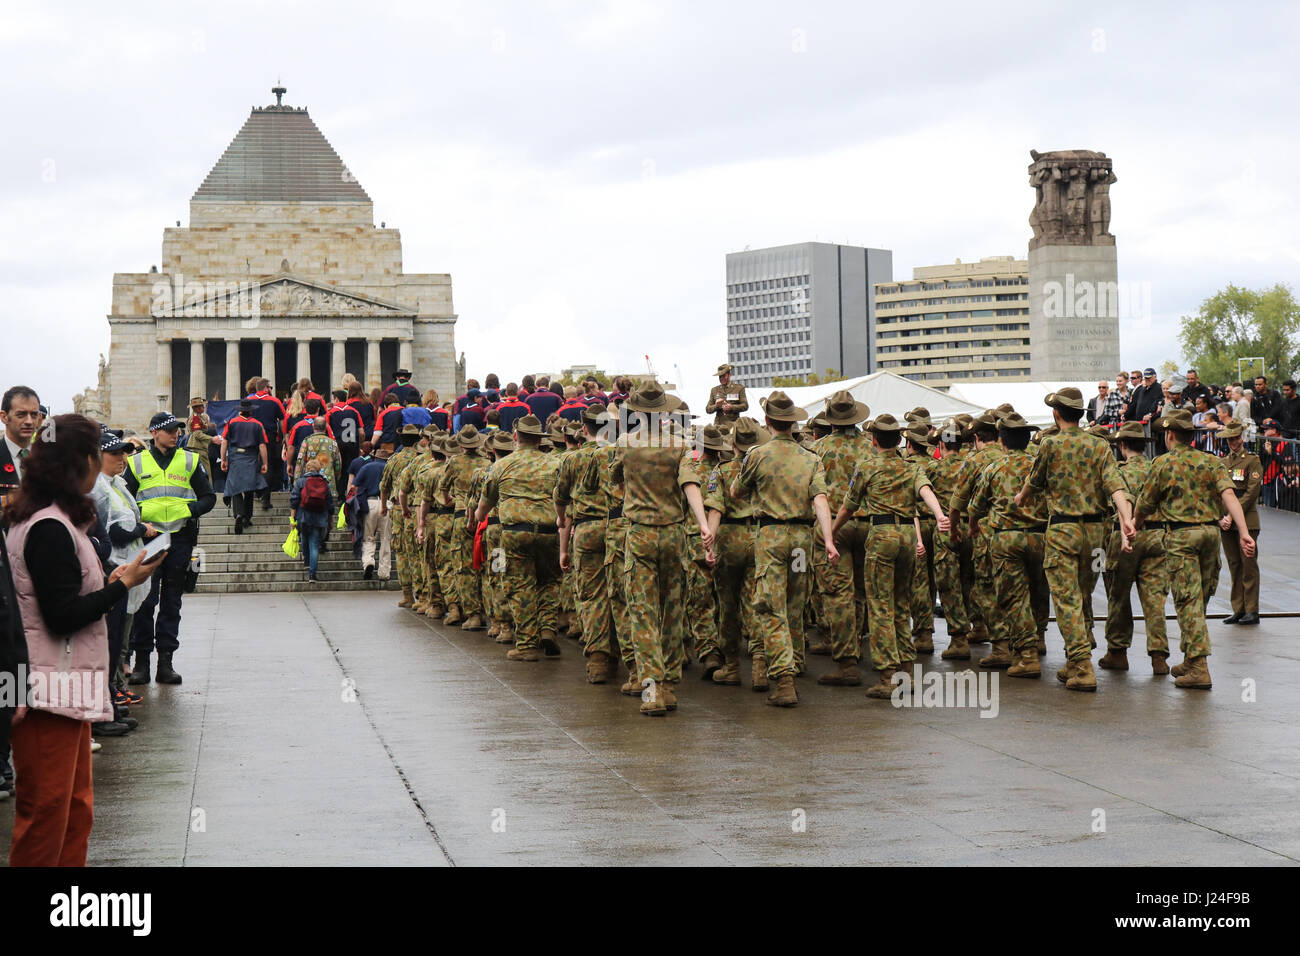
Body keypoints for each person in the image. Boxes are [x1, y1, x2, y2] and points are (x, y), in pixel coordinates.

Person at [4, 414, 162, 866]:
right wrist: (121, 586)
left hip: (63, 684)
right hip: (46, 688)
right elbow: (60, 615)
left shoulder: (49, 519)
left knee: (74, 810)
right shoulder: (49, 526)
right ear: (81, 462)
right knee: (48, 814)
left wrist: (112, 581)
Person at [1014, 388, 1134, 692]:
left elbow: (1034, 482)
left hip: (1063, 533)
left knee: (1066, 600)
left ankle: (1082, 667)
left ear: (1056, 414)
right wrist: (1127, 518)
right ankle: (1073, 658)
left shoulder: (1050, 445)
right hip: (1096, 535)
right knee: (1081, 598)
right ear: (1080, 415)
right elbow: (1115, 486)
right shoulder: (1099, 447)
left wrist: (1021, 498)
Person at [1133, 408, 1254, 689]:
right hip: (1210, 534)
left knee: (1188, 602)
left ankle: (1199, 667)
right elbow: (1230, 496)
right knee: (1198, 600)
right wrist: (1244, 533)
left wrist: (1134, 525)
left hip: (1181, 536)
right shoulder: (1211, 462)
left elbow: (1145, 504)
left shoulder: (1162, 464)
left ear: (1170, 434)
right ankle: (1190, 658)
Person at [733, 391, 834, 708]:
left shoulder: (757, 455)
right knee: (794, 604)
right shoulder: (811, 458)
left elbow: (736, 491)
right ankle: (794, 660)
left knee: (770, 608)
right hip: (802, 540)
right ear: (793, 423)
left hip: (772, 538)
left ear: (767, 421)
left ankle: (783, 679)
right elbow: (820, 500)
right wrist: (828, 540)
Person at [125, 412, 217, 685]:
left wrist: (189, 510)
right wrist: (141, 520)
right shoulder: (136, 462)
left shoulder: (189, 459)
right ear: (154, 432)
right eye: (168, 430)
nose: (175, 434)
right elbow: (126, 501)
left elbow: (209, 497)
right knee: (144, 601)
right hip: (148, 540)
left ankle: (166, 661)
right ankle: (142, 661)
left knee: (172, 602)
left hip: (179, 538)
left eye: (177, 429)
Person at [474, 415, 564, 664]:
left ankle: (526, 644)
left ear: (516, 437)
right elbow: (565, 497)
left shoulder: (501, 466)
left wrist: (478, 516)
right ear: (539, 439)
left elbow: (484, 506)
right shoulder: (554, 463)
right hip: (549, 532)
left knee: (520, 586)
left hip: (514, 533)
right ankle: (547, 628)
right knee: (549, 581)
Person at [91, 429, 158, 719]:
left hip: (127, 562)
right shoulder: (98, 487)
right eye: (115, 453)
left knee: (123, 632)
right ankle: (110, 690)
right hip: (113, 565)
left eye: (124, 453)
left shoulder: (117, 482)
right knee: (112, 633)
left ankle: (116, 685)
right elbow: (111, 531)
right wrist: (141, 530)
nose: (122, 458)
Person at [1099, 422, 1171, 674]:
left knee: (1118, 596)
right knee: (1154, 599)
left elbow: (1119, 504)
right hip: (1156, 535)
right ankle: (1159, 656)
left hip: (1124, 536)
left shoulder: (1118, 471)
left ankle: (1117, 652)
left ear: (1122, 446)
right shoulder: (1157, 469)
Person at [1218, 422, 1262, 625]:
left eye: (1236, 438)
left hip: (1246, 520)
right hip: (1226, 522)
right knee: (1234, 565)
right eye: (1230, 439)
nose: (1233, 443)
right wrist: (1221, 516)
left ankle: (1252, 610)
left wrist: (1231, 515)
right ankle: (1238, 608)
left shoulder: (1252, 461)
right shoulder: (1223, 463)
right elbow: (1218, 493)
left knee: (1248, 565)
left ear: (1241, 438)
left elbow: (1252, 492)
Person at [220, 400, 269, 534]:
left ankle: (238, 514)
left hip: (235, 457)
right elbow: (262, 446)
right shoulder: (258, 424)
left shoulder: (232, 422)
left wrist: (223, 459)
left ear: (240, 410)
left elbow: (224, 442)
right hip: (251, 457)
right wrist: (265, 463)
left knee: (235, 488)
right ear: (251, 411)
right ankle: (247, 517)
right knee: (249, 488)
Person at [290, 454, 335, 583]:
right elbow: (329, 503)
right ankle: (312, 575)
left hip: (303, 516)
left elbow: (294, 500)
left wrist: (292, 519)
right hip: (320, 517)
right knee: (314, 544)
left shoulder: (301, 482)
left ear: (307, 469)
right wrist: (331, 519)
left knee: (304, 539)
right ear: (319, 469)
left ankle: (307, 561)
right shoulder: (324, 483)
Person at [353, 447, 391, 579]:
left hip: (369, 503)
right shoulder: (389, 469)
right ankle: (384, 572)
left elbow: (355, 486)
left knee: (368, 536)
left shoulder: (367, 467)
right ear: (386, 459)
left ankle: (368, 561)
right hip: (386, 504)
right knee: (385, 539)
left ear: (375, 457)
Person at [1, 385, 42, 508]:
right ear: (4, 417)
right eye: (21, 415)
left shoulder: (48, 460)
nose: (29, 421)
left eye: (34, 415)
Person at [295, 414, 342, 492]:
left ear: (313, 426)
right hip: (329, 486)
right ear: (326, 427)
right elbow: (338, 464)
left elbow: (300, 462)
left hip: (310, 487)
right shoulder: (333, 443)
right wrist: (336, 477)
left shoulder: (307, 441)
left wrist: (297, 482)